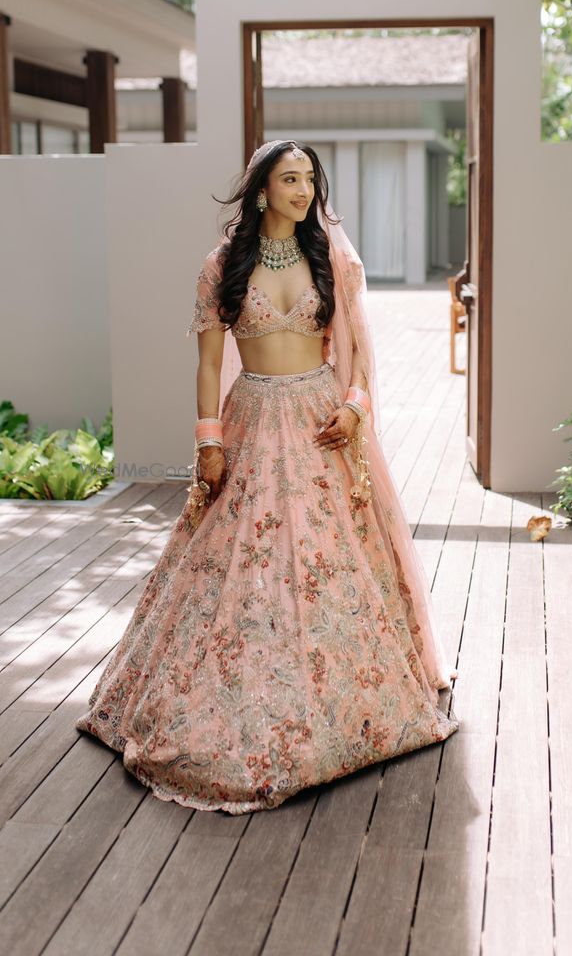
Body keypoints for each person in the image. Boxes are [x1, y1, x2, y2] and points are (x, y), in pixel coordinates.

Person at [75, 138, 459, 814]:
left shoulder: (328, 257)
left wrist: (355, 407)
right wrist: (208, 442)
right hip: (251, 415)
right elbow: (205, 365)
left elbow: (359, 351)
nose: (304, 190)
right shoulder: (223, 265)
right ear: (261, 190)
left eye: (310, 178)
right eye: (289, 178)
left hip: (319, 418)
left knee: (328, 557)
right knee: (239, 560)